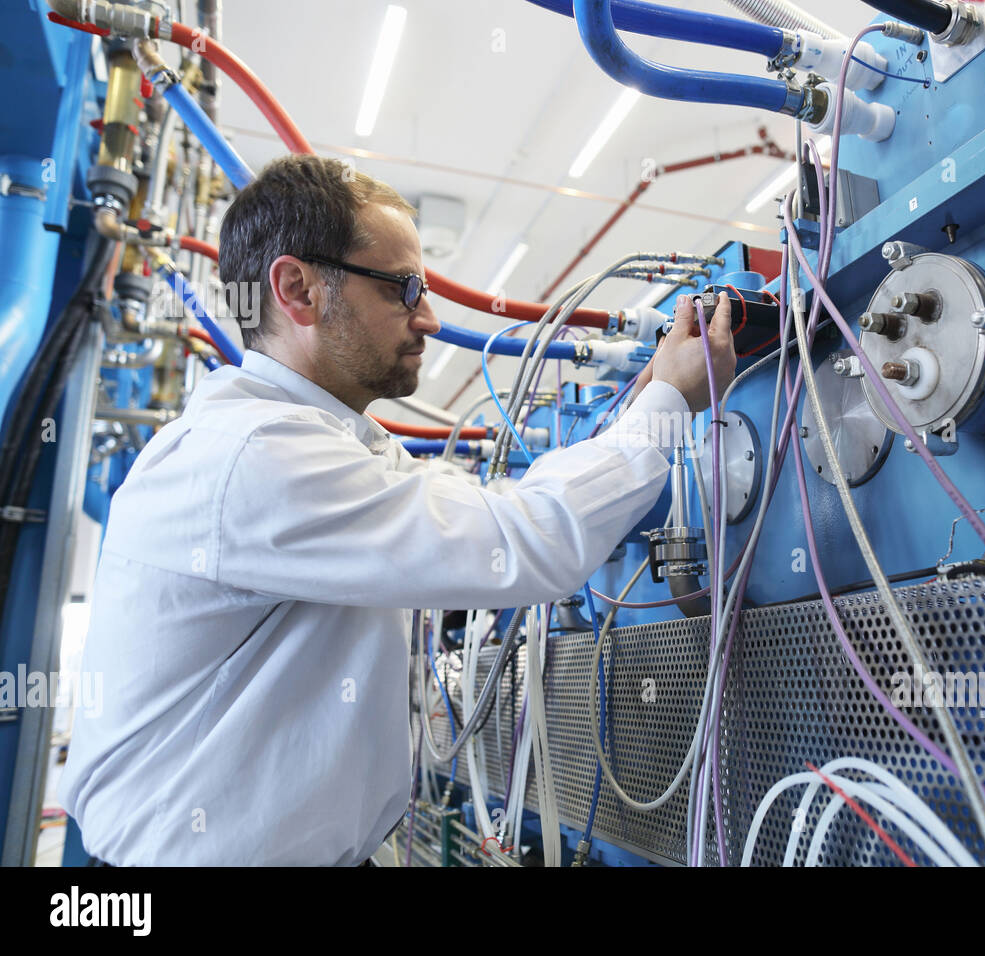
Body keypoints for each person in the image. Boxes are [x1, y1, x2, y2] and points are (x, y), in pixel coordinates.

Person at [59, 154, 735, 865]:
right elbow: (521, 543)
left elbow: (484, 515)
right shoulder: (252, 453)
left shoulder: (337, 444)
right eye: (404, 288)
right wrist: (666, 409)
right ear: (297, 289)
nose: (430, 318)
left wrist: (634, 411)